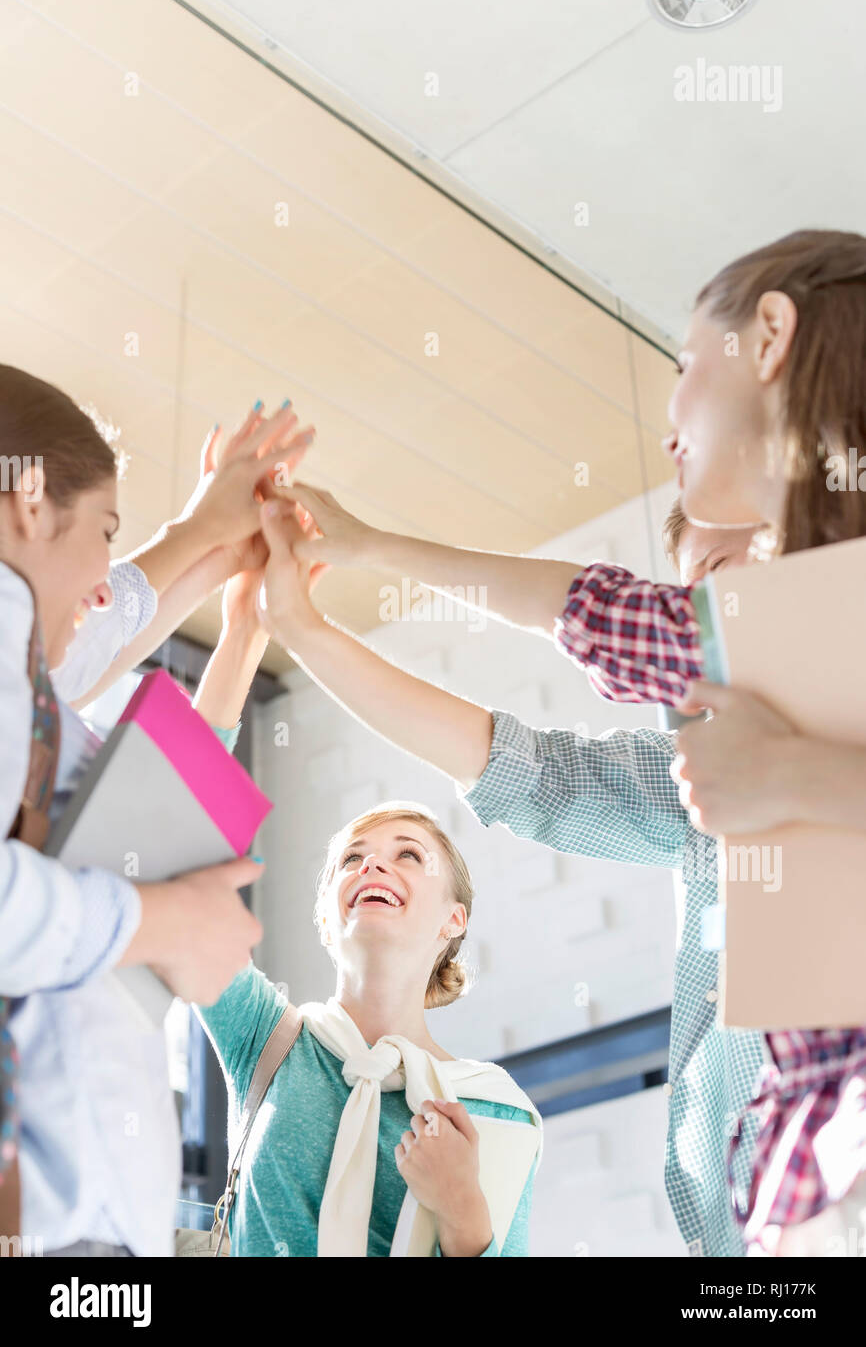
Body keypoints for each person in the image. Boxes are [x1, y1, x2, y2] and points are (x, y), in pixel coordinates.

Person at [264, 228, 866, 1257]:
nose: (672, 418)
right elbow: (571, 639)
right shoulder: (697, 785)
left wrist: (794, 775)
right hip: (782, 1216)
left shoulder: (490, 1109)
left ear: (768, 335)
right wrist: (323, 598)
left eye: (683, 367)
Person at [0, 367, 309, 1256]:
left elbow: (99, 629)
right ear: (28, 500)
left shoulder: (32, 687)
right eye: (104, 531)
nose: (104, 581)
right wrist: (164, 921)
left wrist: (213, 552)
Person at [188, 568, 541, 1258]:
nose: (373, 866)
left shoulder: (498, 1108)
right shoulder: (268, 1040)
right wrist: (242, 633)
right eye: (352, 860)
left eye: (408, 855)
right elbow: (179, 836)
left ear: (453, 920)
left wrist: (465, 1216)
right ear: (328, 914)